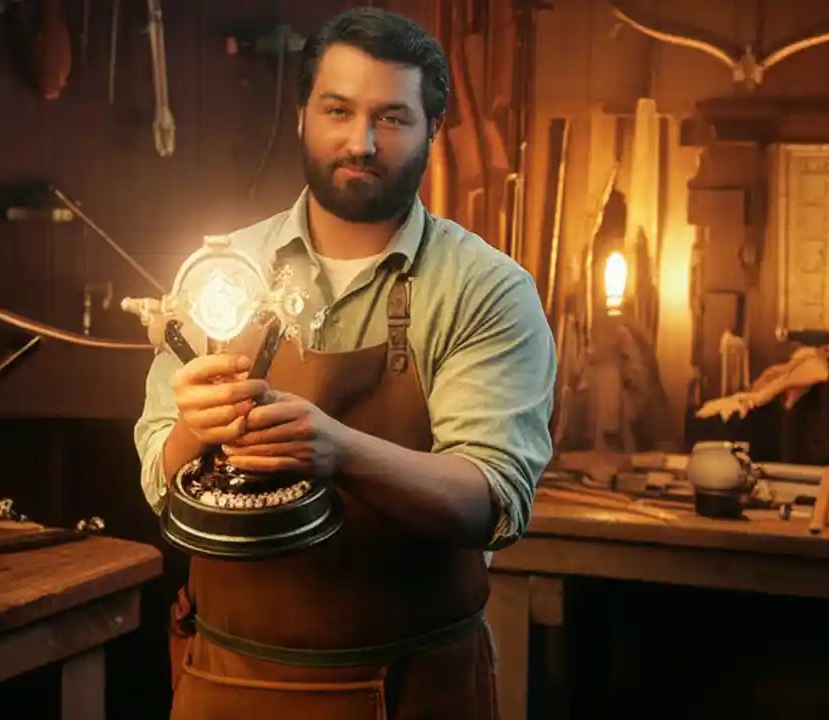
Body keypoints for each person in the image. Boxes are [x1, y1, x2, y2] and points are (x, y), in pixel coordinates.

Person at [133, 7, 556, 718]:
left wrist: (338, 449)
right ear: (303, 114)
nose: (360, 141)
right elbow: (157, 478)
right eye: (338, 109)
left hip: (413, 687)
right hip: (228, 682)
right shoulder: (222, 273)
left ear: (431, 129)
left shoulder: (484, 288)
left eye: (392, 118)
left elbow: (495, 500)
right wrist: (190, 433)